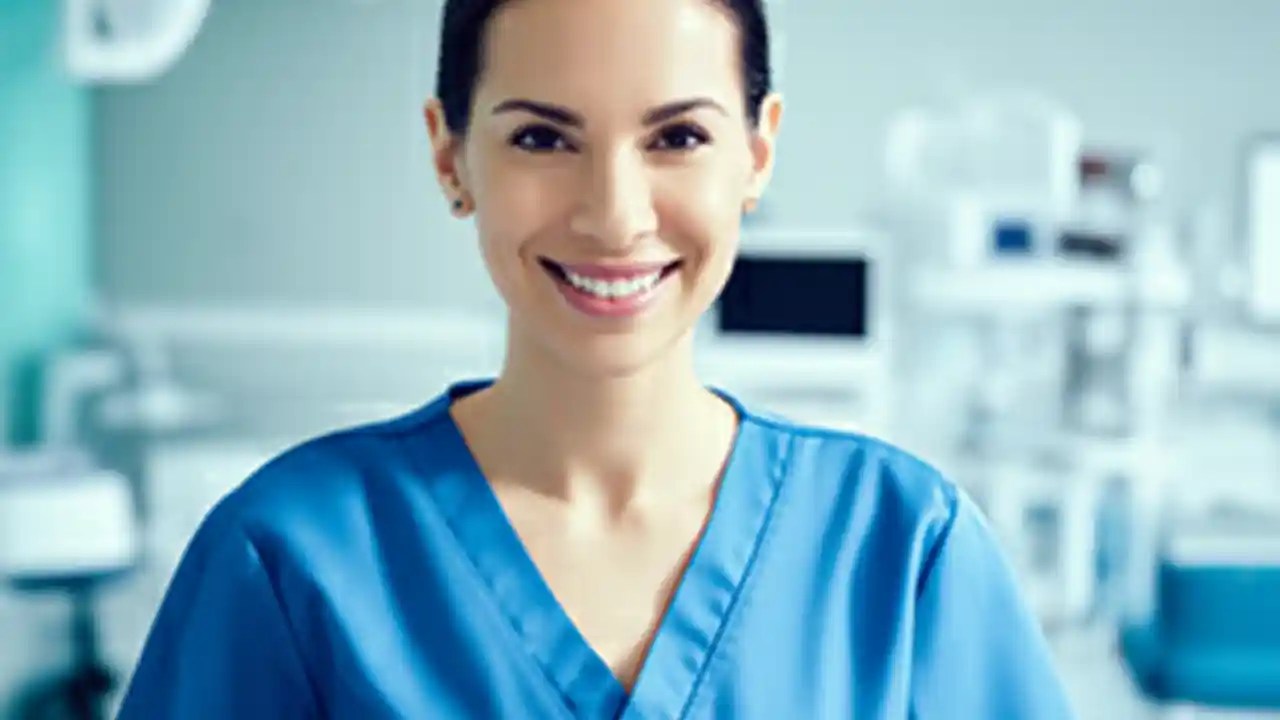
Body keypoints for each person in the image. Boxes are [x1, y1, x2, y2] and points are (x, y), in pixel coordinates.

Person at [117, 0, 1076, 717]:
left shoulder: (901, 552)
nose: (614, 213)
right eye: (541, 137)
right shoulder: (291, 561)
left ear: (758, 151)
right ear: (449, 156)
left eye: (679, 137)